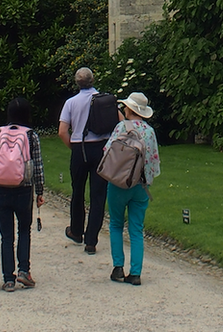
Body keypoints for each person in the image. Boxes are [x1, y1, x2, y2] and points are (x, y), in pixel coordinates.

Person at [0, 97, 45, 291]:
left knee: (6, 236)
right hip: (24, 188)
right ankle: (24, 271)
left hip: (1, 188)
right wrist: (40, 191)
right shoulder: (30, 135)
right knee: (24, 231)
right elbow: (37, 165)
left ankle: (8, 279)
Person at [105, 92, 160, 286]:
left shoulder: (121, 127)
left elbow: (108, 151)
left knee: (116, 225)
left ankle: (118, 267)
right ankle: (135, 272)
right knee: (136, 229)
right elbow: (154, 161)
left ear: (129, 109)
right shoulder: (149, 132)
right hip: (139, 185)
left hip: (119, 183)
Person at [58, 67, 109, 254]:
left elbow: (62, 131)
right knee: (98, 195)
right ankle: (91, 240)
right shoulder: (105, 99)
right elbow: (119, 121)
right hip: (100, 148)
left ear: (76, 82)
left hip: (80, 146)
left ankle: (77, 230)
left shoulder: (71, 103)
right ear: (93, 80)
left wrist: (74, 148)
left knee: (77, 191)